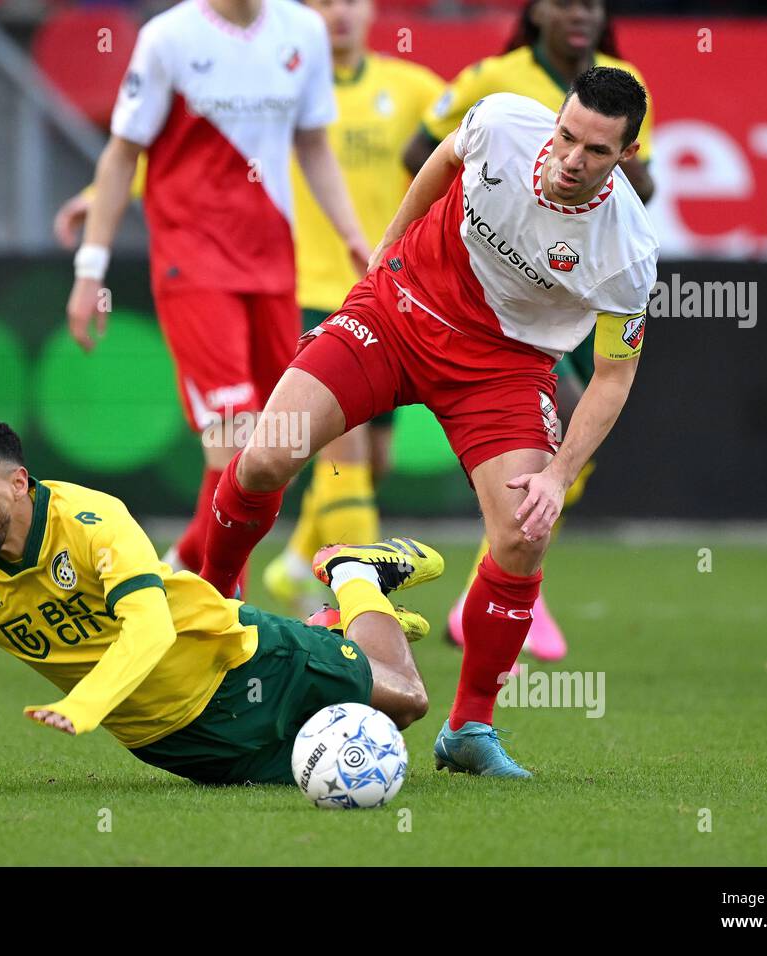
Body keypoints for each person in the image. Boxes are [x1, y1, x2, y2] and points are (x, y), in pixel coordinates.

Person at [196, 68, 659, 778]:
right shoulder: (502, 123)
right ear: (555, 119)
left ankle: (469, 727)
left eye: (596, 151)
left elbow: (614, 374)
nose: (572, 158)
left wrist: (560, 475)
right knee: (265, 456)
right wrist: (388, 246)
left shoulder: (626, 249)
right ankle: (211, 605)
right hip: (399, 310)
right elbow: (443, 160)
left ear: (625, 156)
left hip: (502, 369)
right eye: (567, 135)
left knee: (522, 533)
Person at [0, 420, 441, 793]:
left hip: (239, 655)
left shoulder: (94, 521)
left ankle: (351, 574)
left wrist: (86, 706)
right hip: (178, 745)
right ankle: (333, 619)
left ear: (18, 484)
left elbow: (150, 625)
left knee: (405, 703)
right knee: (351, 764)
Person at [64, 0, 370, 595]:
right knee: (232, 432)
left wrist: (353, 234)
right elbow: (125, 150)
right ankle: (225, 612)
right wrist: (88, 270)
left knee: (276, 445)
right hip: (193, 263)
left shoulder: (301, 31)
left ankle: (175, 568)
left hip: (275, 265)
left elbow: (312, 144)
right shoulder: (168, 39)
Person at [403, 0, 656, 658]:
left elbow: (644, 188)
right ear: (537, 12)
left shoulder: (622, 83)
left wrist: (607, 173)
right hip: (468, 282)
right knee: (363, 447)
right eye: (567, 4)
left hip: (556, 304)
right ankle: (498, 576)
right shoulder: (497, 79)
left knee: (573, 438)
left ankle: (500, 579)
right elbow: (423, 149)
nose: (581, 17)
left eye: (592, 6)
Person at [262, 0, 444, 617]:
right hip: (307, 288)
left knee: (373, 461)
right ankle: (364, 606)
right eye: (323, 1)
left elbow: (478, 145)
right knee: (346, 455)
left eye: (350, 0)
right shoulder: (279, 87)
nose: (338, 13)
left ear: (371, 12)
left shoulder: (414, 89)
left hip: (391, 292)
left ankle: (297, 562)